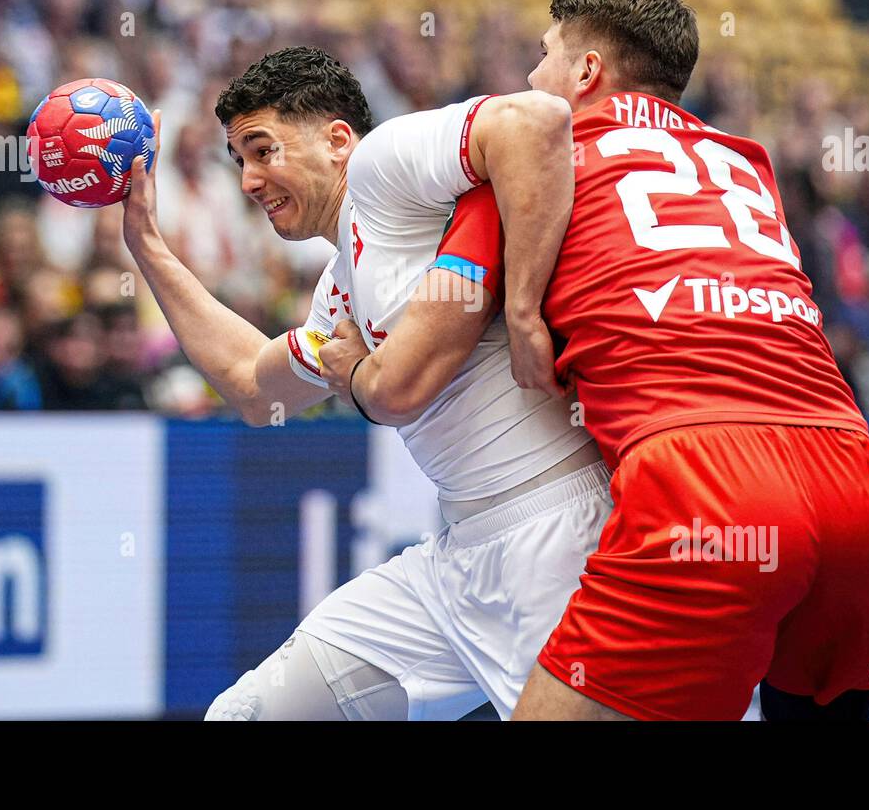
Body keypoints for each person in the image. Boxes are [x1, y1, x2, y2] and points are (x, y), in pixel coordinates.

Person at [318, 0, 869, 721]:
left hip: (703, 486)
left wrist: (355, 367)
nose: (529, 79)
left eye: (543, 55)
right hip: (851, 476)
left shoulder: (527, 166)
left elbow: (408, 375)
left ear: (585, 70)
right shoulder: (745, 165)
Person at [122, 46, 610, 720]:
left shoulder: (382, 168)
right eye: (239, 161)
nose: (249, 181)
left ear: (337, 139)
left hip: (556, 538)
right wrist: (147, 243)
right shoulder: (338, 291)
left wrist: (522, 309)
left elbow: (536, 119)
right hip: (457, 557)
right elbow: (253, 388)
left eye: (263, 151)